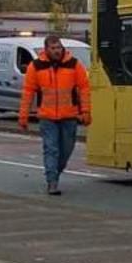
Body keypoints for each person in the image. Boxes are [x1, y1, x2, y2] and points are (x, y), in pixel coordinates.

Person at [18, 36, 91, 195]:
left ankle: (55, 172)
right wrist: (23, 116)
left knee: (66, 149)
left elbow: (84, 88)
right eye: (53, 48)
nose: (57, 51)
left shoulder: (74, 64)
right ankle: (52, 181)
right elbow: (28, 92)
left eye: (58, 47)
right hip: (47, 117)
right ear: (46, 50)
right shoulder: (36, 66)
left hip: (69, 116)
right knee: (51, 149)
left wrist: (85, 111)